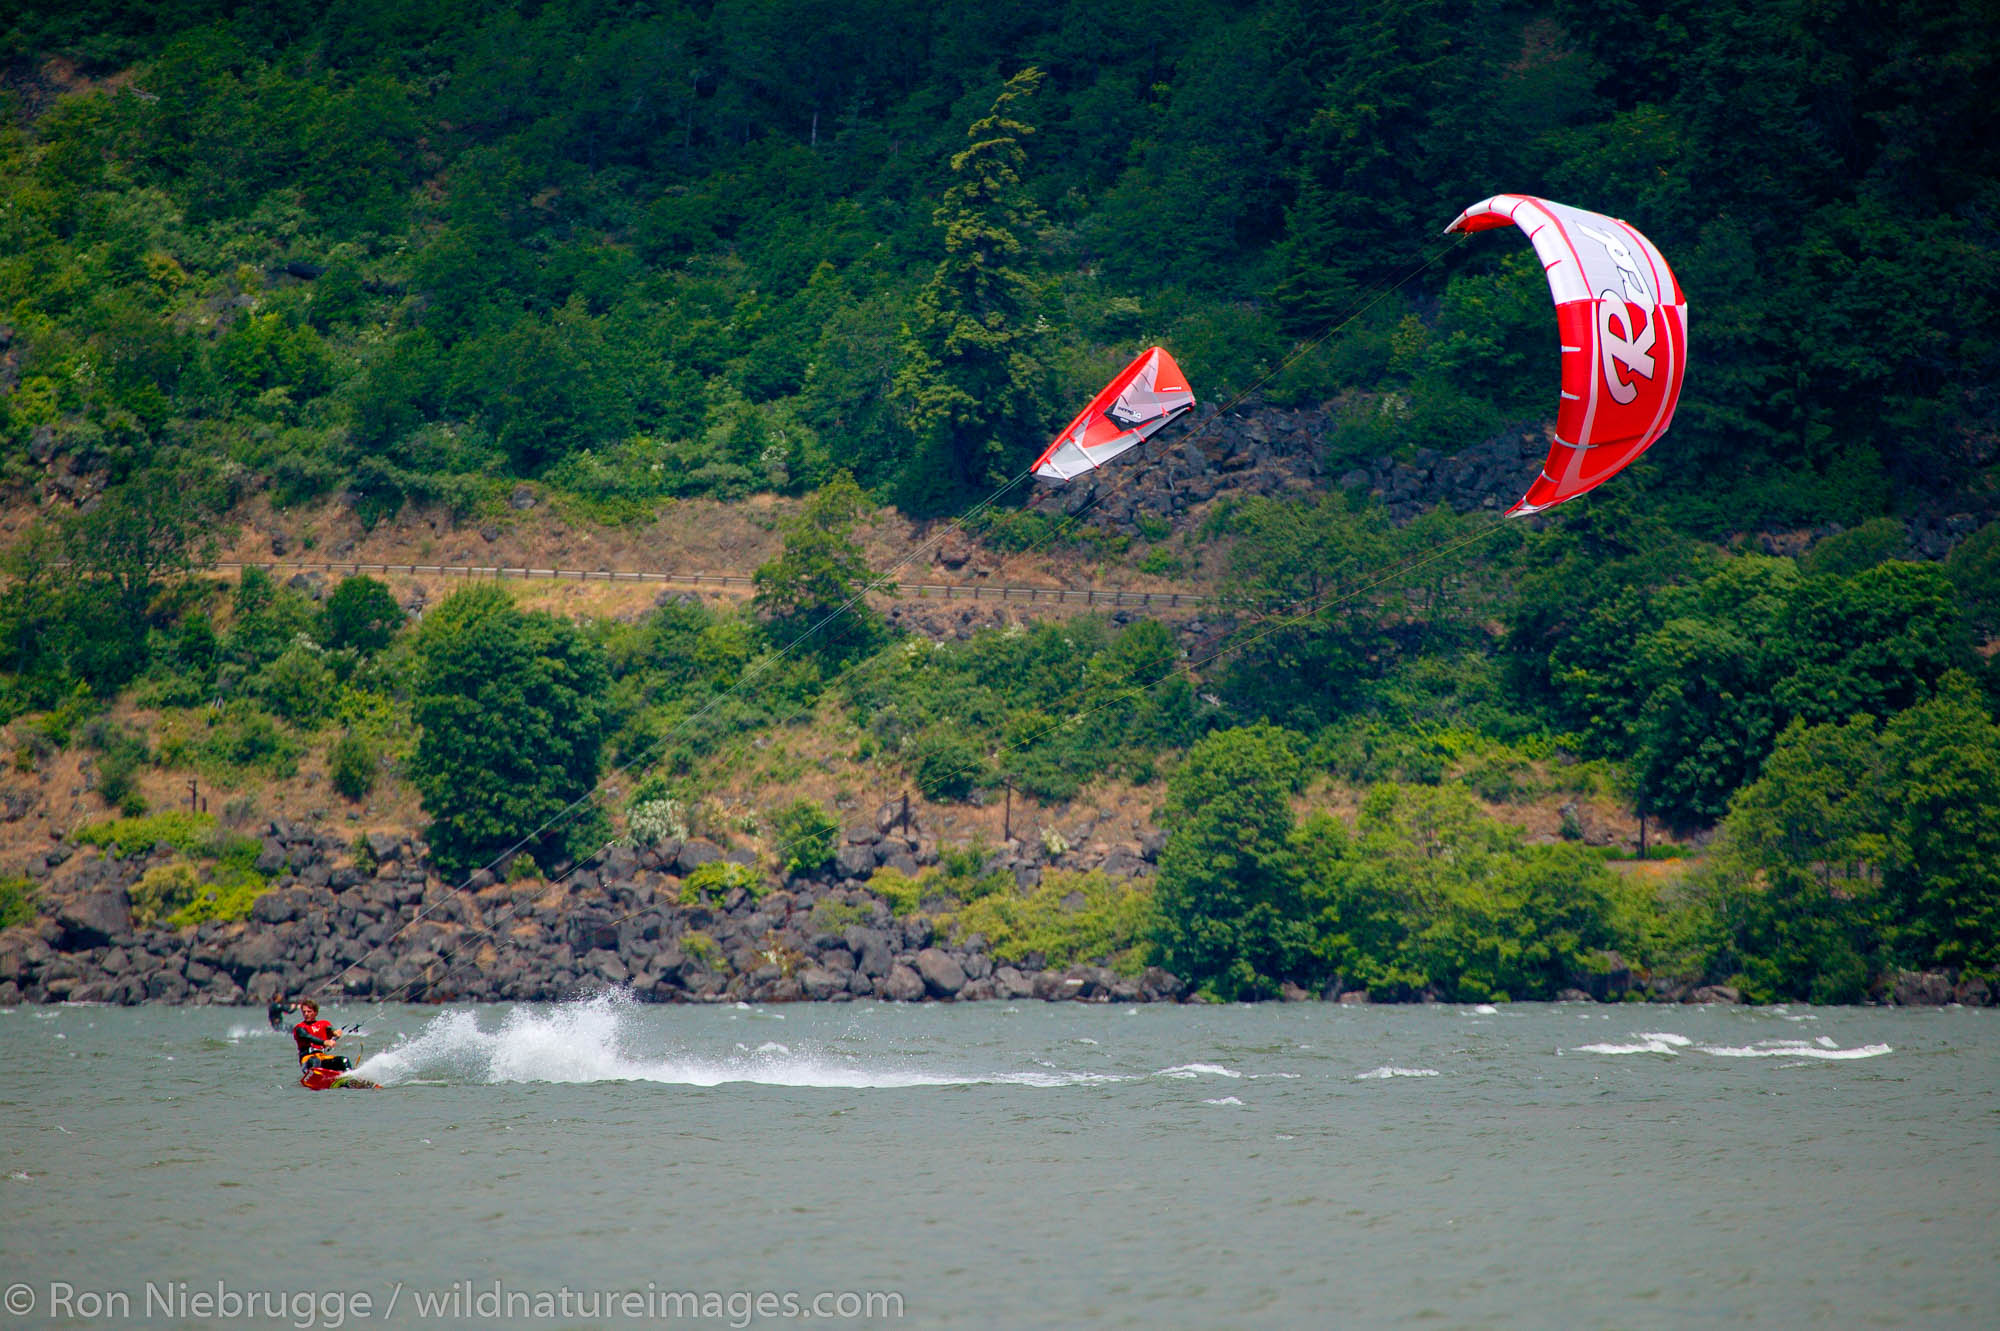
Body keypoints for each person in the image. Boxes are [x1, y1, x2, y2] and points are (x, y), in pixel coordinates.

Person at [290, 999, 352, 1088]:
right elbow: (308, 1037)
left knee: (344, 1060)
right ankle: (316, 1077)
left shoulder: (323, 1023)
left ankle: (350, 1080)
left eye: (309, 1011)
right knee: (315, 1060)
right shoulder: (299, 1028)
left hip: (322, 1058)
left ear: (315, 1012)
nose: (306, 1014)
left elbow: (330, 1029)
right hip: (307, 1060)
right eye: (304, 1012)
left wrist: (335, 1032)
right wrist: (325, 1042)